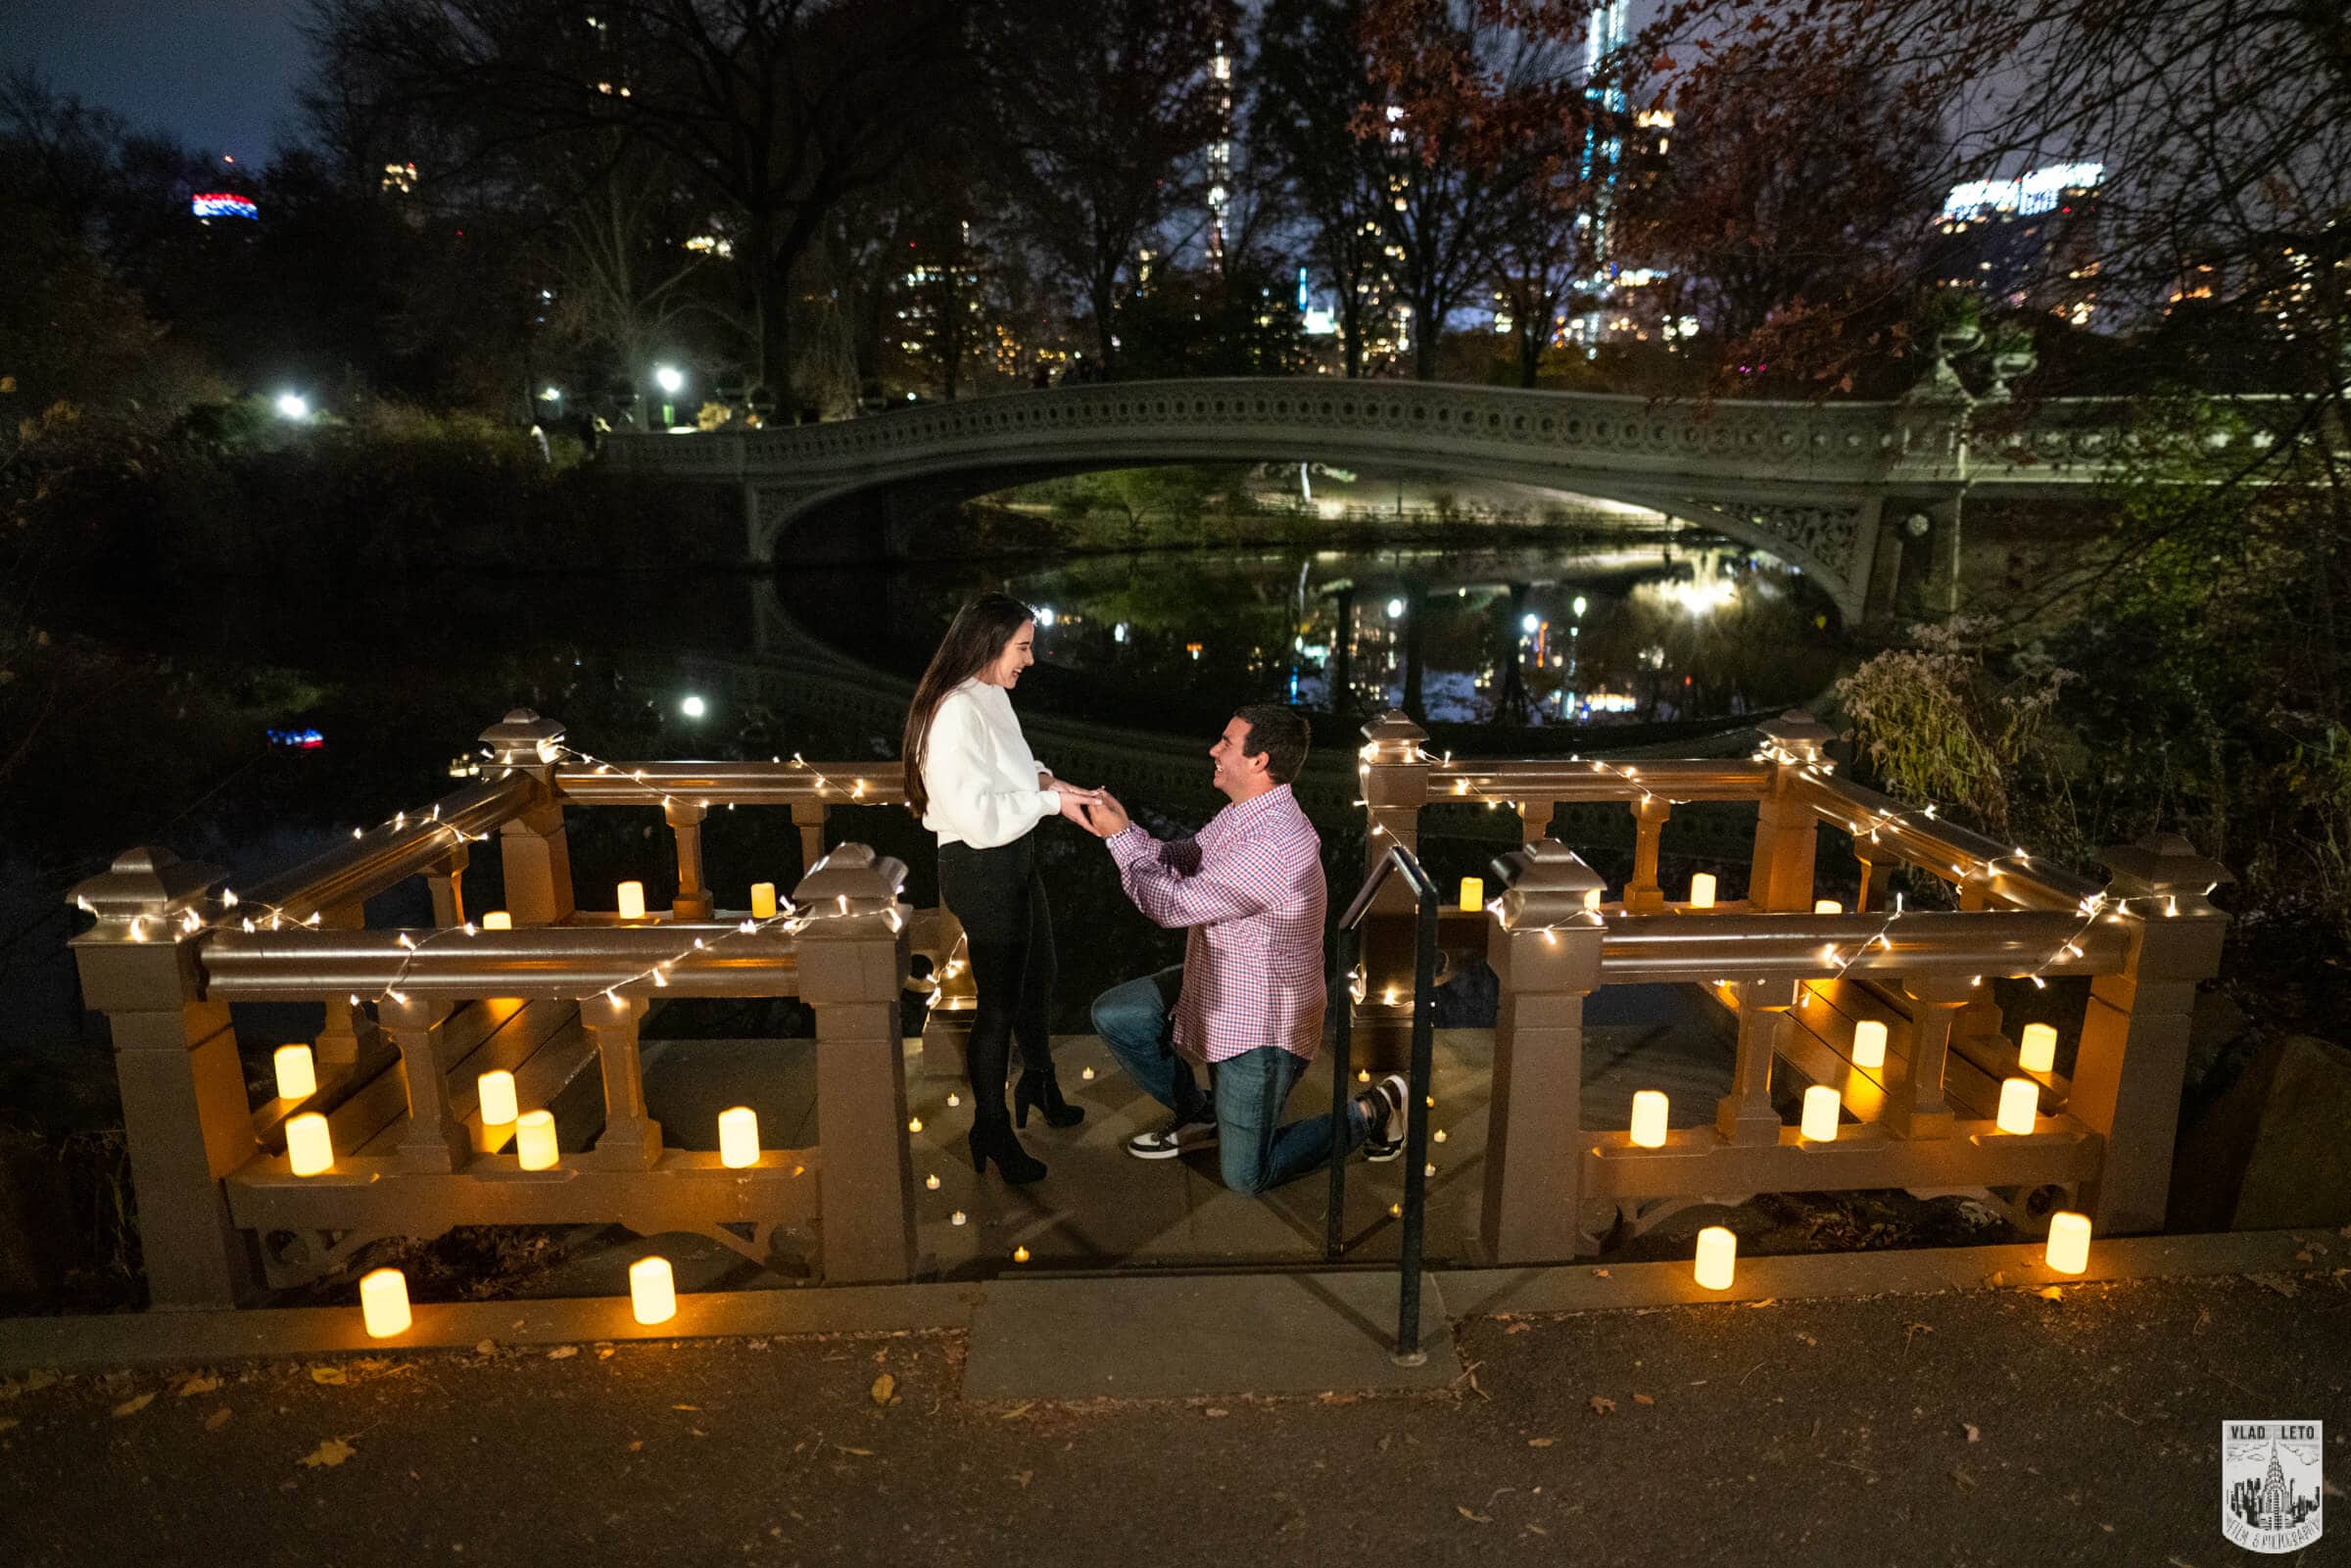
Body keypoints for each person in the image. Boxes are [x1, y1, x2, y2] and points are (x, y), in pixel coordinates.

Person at [1085, 704, 1409, 1194]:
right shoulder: (1247, 813)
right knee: (1119, 1015)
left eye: (1226, 743)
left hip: (1259, 1025)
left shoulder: (1274, 845)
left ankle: (1373, 1110)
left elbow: (1172, 905)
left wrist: (1119, 842)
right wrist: (1124, 831)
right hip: (1219, 981)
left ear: (1259, 761)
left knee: (1246, 1176)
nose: (1213, 750)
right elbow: (1184, 858)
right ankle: (1203, 1114)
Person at [903, 594, 1102, 1185]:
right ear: (990, 644)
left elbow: (1014, 768)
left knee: (1039, 975)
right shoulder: (955, 711)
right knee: (999, 1005)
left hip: (1012, 856)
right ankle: (989, 1127)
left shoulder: (990, 694)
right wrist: (1050, 804)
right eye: (1023, 647)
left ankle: (1038, 1082)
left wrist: (1056, 787)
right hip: (980, 865)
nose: (1031, 660)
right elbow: (979, 818)